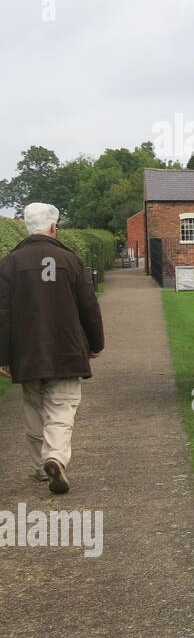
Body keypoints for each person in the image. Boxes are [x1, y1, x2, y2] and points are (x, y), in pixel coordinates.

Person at [0, 202, 105, 494]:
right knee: (61, 409)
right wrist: (95, 343)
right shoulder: (70, 260)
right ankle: (56, 457)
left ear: (25, 226)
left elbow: (2, 314)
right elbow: (89, 307)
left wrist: (3, 356)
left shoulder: (9, 263)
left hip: (26, 352)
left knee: (34, 409)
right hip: (66, 350)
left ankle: (40, 468)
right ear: (53, 226)